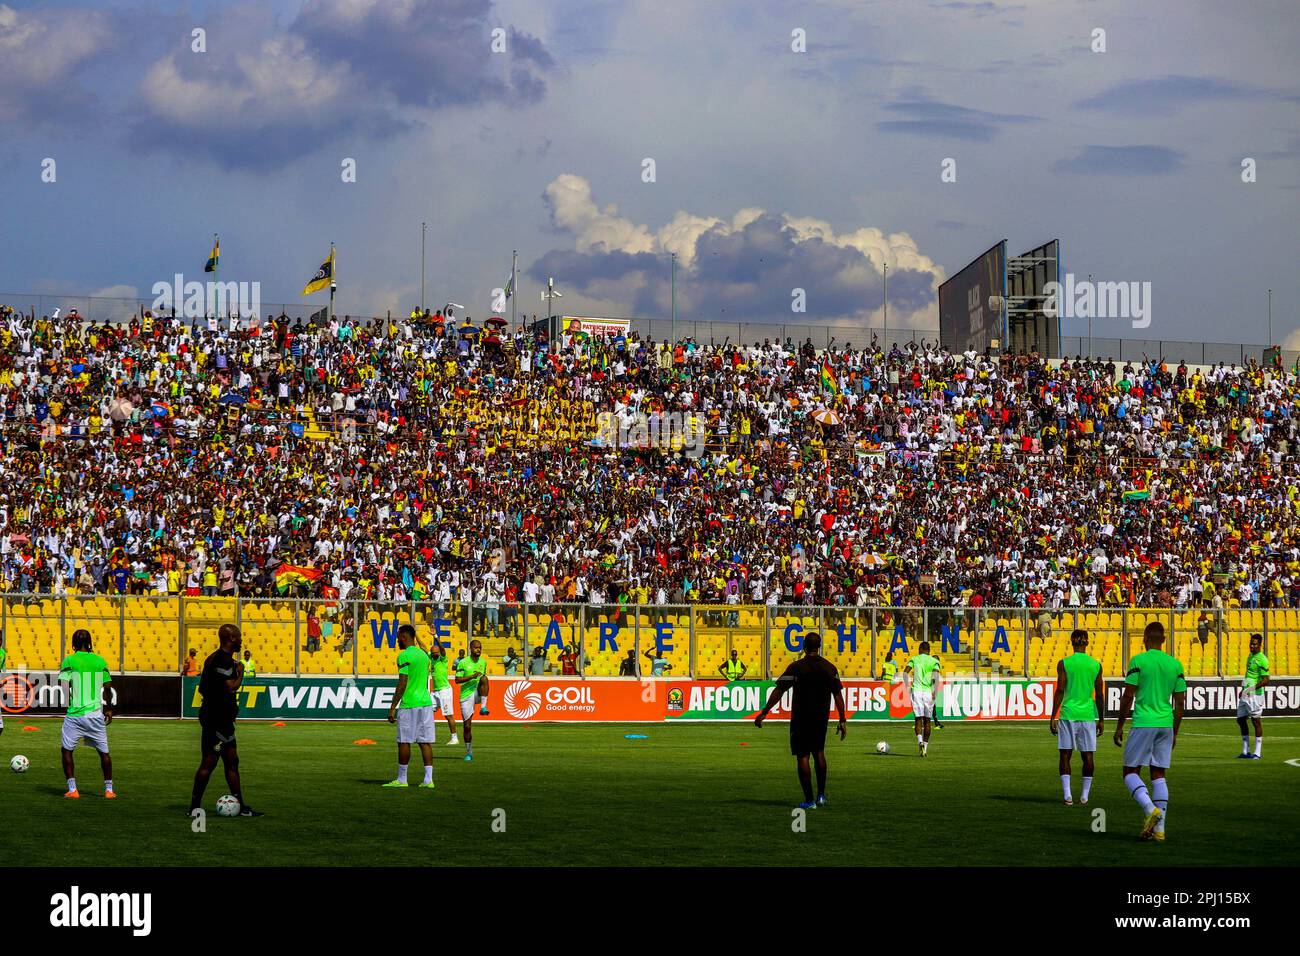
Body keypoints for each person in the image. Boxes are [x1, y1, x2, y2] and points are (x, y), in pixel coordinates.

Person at [753, 632, 846, 809]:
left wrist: (765, 711)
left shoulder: (797, 667)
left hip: (801, 718)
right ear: (819, 646)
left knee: (802, 755)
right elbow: (837, 695)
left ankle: (809, 800)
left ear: (804, 646)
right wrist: (842, 720)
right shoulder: (829, 668)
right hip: (820, 718)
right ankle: (821, 796)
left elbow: (779, 690)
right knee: (819, 752)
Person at [1113, 621, 1185, 841]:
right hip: (1166, 723)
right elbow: (1180, 703)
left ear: (1144, 638)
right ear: (1163, 640)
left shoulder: (1138, 661)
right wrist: (1175, 731)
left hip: (1144, 722)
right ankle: (1160, 830)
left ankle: (1150, 809)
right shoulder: (1175, 665)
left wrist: (1119, 725)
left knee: (1130, 772)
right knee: (1159, 774)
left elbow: (1128, 696)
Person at [190, 624, 262, 817]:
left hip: (222, 719)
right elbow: (231, 687)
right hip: (216, 719)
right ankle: (194, 808)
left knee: (232, 761)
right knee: (209, 761)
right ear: (231, 639)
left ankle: (240, 806)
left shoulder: (214, 658)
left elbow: (204, 688)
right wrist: (241, 673)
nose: (241, 641)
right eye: (239, 637)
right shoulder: (222, 660)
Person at [58, 630, 115, 799]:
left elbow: (63, 684)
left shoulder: (69, 660)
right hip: (95, 714)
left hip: (75, 714)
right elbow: (107, 687)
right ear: (89, 642)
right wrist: (109, 709)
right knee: (104, 753)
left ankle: (73, 790)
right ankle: (109, 790)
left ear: (73, 643)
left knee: (67, 750)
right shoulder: (99, 661)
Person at [1049, 629, 1104, 805]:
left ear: (1072, 642)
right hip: (1087, 715)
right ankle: (1084, 796)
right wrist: (1101, 720)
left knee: (1065, 754)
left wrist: (1053, 716)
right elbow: (1100, 694)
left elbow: (1060, 690)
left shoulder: (1064, 663)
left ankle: (1068, 795)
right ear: (1087, 642)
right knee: (1088, 756)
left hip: (1068, 714)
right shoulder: (1095, 665)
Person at [384, 624, 435, 789]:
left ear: (404, 637)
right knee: (425, 743)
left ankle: (402, 779)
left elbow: (402, 683)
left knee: (404, 741)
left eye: (398, 638)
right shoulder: (424, 656)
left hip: (409, 704)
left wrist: (392, 707)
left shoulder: (404, 656)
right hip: (425, 703)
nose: (397, 641)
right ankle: (428, 780)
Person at [454, 639, 489, 761]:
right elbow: (457, 680)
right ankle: (469, 752)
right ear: (470, 648)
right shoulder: (463, 662)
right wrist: (472, 676)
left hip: (478, 692)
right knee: (467, 726)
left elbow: (482, 680)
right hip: (466, 695)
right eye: (476, 647)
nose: (478, 649)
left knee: (484, 678)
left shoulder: (483, 662)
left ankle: (483, 707)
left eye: (480, 647)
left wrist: (478, 678)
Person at [904, 641, 942, 756]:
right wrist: (934, 691)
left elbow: (905, 673)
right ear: (929, 650)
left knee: (918, 719)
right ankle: (925, 747)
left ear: (920, 649)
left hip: (916, 691)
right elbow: (936, 677)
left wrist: (907, 686)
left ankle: (919, 741)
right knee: (927, 720)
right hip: (928, 692)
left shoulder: (915, 659)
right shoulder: (934, 661)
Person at [1236, 633, 1269, 759]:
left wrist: (1250, 689)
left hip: (1255, 695)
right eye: (1251, 643)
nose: (1252, 646)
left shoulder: (1262, 659)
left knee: (1256, 721)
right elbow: (1249, 675)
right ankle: (1245, 751)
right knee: (1240, 719)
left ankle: (1257, 752)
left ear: (1260, 645)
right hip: (1246, 692)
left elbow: (1266, 680)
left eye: (1255, 644)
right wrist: (1243, 689)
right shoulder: (1250, 656)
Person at [429, 636, 459, 745]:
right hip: (435, 691)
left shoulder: (443, 659)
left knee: (448, 715)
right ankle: (428, 736)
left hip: (444, 690)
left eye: (437, 653)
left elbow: (442, 649)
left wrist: (435, 636)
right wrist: (415, 634)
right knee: (427, 711)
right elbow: (423, 647)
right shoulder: (432, 659)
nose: (435, 654)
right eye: (433, 653)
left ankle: (454, 738)